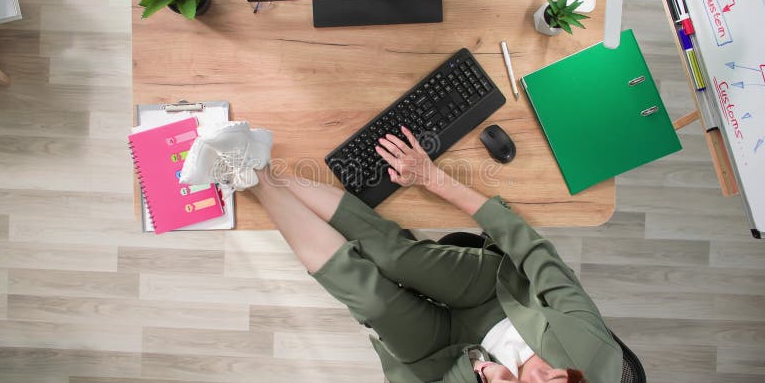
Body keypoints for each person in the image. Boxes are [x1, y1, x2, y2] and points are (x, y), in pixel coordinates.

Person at [180, 122, 623, 383]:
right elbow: (531, 249)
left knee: (370, 298)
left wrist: (482, 372)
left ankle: (257, 165)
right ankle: (251, 173)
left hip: (446, 354)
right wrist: (432, 178)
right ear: (562, 377)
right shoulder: (590, 351)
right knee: (394, 258)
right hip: (493, 296)